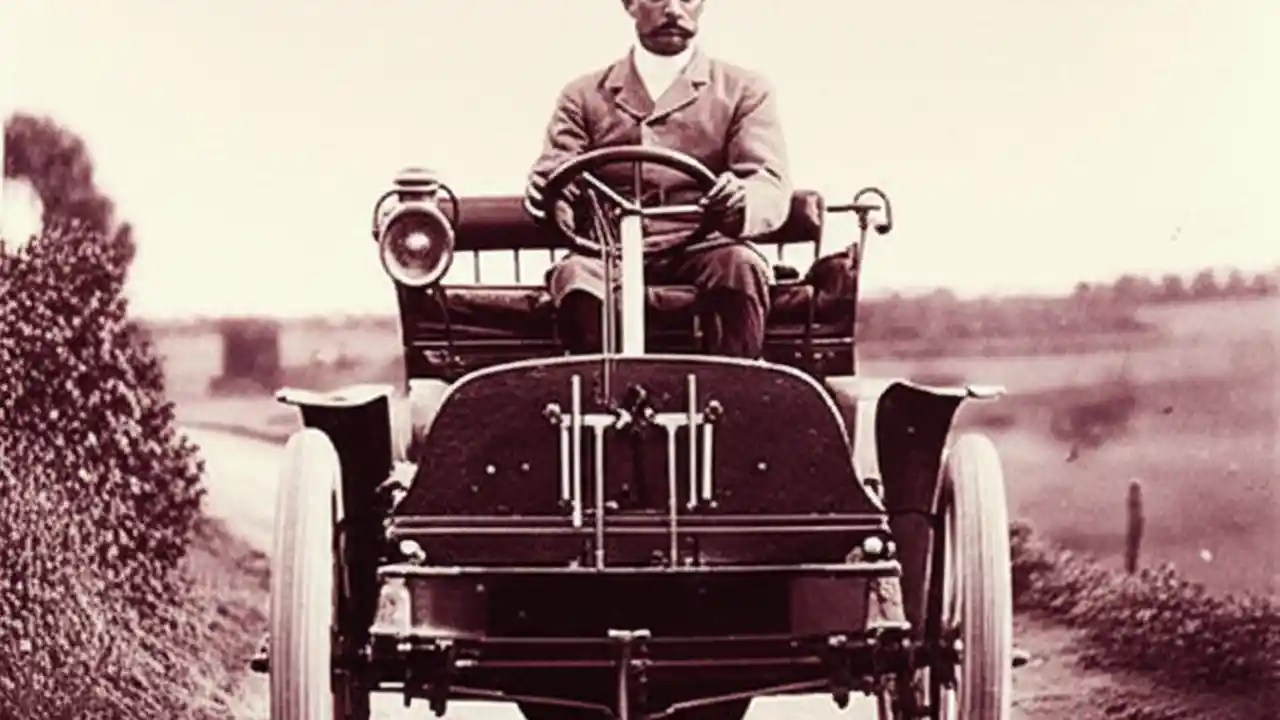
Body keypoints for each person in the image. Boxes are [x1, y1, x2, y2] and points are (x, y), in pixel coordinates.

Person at [523, 0, 792, 358]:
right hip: (607, 249)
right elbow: (556, 174)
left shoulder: (744, 90)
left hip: (705, 243)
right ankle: (593, 399)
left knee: (741, 268)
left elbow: (766, 180)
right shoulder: (584, 96)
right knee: (575, 278)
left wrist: (740, 197)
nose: (672, 9)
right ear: (629, 4)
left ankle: (733, 398)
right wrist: (551, 197)